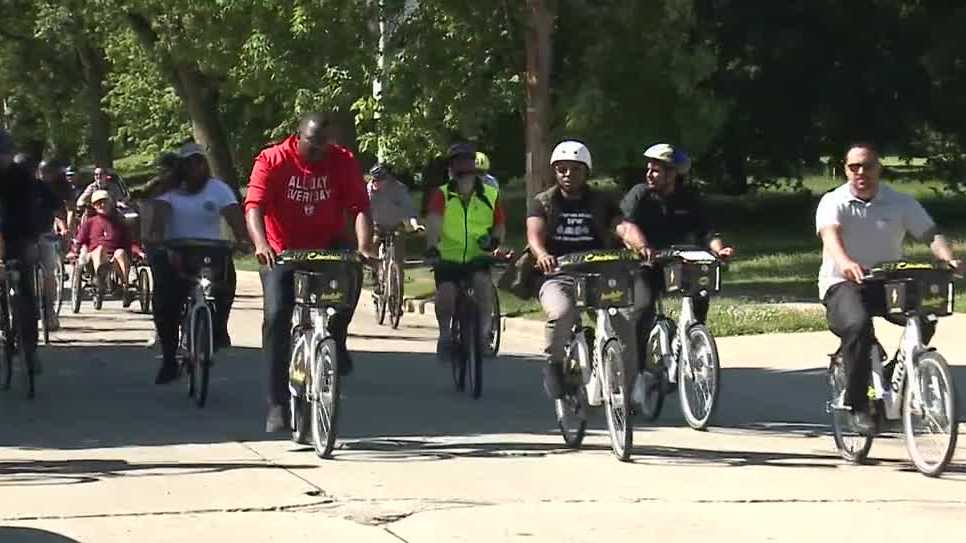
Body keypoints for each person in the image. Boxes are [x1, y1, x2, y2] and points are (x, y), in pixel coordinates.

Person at [816, 142, 962, 432]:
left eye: (867, 166)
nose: (861, 172)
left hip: (887, 282)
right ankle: (859, 405)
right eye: (853, 167)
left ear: (878, 168)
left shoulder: (900, 202)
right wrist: (845, 262)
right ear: (844, 169)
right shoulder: (833, 202)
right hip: (843, 283)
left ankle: (897, 371)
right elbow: (829, 236)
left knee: (926, 315)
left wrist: (949, 258)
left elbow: (931, 234)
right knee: (858, 327)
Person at [245, 112, 374, 433]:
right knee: (277, 316)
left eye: (324, 146)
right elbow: (254, 206)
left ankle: (336, 339)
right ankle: (276, 403)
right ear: (297, 137)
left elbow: (359, 206)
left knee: (350, 278)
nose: (319, 153)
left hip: (326, 245)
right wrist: (261, 244)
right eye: (313, 146)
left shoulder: (341, 160)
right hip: (281, 249)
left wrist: (365, 245)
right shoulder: (272, 159)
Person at [527, 140, 640, 413]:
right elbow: (534, 235)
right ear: (555, 172)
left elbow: (622, 227)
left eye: (575, 169)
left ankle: (625, 388)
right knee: (563, 313)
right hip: (558, 273)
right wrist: (542, 254)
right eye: (562, 169)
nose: (568, 174)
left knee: (624, 320)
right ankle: (554, 365)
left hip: (599, 271)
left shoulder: (601, 201)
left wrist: (639, 244)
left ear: (586, 171)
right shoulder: (543, 202)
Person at [616, 143, 734, 375]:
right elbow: (624, 226)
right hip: (645, 264)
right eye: (648, 169)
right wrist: (641, 247)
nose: (649, 174)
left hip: (678, 263)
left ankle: (695, 341)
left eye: (656, 170)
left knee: (700, 291)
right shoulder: (640, 195)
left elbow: (707, 231)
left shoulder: (689, 198)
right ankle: (637, 373)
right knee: (642, 309)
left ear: (673, 174)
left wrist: (720, 251)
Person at [150, 143, 248, 384]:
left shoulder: (219, 189)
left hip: (210, 247)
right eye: (191, 163)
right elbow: (158, 223)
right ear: (182, 167)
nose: (197, 167)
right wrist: (160, 244)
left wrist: (243, 239)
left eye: (200, 162)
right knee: (166, 302)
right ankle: (169, 358)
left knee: (225, 280)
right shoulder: (169, 192)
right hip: (177, 248)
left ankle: (219, 327)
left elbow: (235, 217)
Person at [424, 142, 506, 360]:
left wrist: (495, 240)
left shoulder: (490, 194)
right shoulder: (442, 195)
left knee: (483, 287)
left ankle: (482, 336)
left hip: (478, 255)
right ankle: (444, 337)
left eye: (467, 162)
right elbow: (433, 221)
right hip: (448, 256)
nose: (463, 168)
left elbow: (499, 224)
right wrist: (432, 246)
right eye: (458, 163)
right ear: (451, 168)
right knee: (446, 296)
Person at [0, 130, 62, 374]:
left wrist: (30, 238)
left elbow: (28, 213)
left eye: (4, 154)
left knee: (25, 290)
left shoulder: (22, 178)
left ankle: (30, 349)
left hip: (19, 235)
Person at [69, 190, 141, 304]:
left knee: (121, 252)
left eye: (105, 202)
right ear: (94, 205)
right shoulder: (90, 222)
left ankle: (125, 287)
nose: (102, 205)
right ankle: (99, 281)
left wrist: (138, 251)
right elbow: (79, 240)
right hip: (94, 256)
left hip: (114, 257)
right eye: (98, 203)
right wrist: (74, 252)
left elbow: (129, 242)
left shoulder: (119, 222)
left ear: (110, 204)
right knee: (100, 249)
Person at [367, 163, 423, 286]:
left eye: (380, 180)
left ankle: (398, 296)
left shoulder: (398, 189)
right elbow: (363, 211)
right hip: (378, 227)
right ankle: (376, 279)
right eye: (374, 180)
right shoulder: (369, 190)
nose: (376, 183)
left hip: (395, 226)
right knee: (372, 247)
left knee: (398, 260)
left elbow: (409, 210)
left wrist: (415, 225)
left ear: (386, 180)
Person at [35, 160, 74, 331]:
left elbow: (59, 212)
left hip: (44, 234)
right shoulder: (13, 187)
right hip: (18, 237)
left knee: (49, 272)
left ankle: (50, 311)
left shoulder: (45, 190)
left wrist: (65, 228)